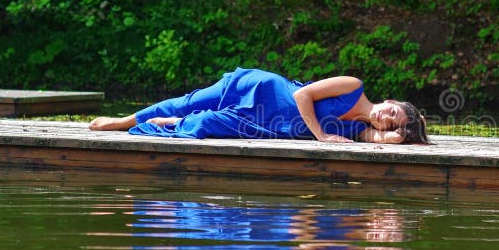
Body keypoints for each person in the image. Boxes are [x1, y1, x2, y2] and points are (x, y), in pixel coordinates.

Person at [89, 67, 429, 144]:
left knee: (207, 124)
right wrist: (322, 136)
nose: (386, 118)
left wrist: (407, 132)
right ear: (389, 101)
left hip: (269, 125)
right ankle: (124, 120)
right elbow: (302, 96)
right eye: (394, 111)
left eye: (391, 123)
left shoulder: (359, 131)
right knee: (192, 101)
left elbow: (389, 143)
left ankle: (173, 123)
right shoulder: (354, 88)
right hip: (265, 91)